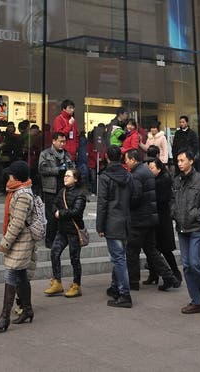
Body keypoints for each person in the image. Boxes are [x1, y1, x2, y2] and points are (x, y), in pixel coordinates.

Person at [171, 149, 200, 315]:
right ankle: (197, 301)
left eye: (182, 160)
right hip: (182, 227)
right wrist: (174, 213)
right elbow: (172, 200)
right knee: (186, 266)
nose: (179, 164)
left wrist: (197, 215)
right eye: (178, 161)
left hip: (196, 228)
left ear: (191, 161)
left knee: (194, 263)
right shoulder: (176, 181)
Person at [0, 160, 36, 332]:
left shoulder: (22, 195)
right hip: (20, 239)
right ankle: (28, 309)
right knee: (21, 275)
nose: (8, 176)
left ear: (16, 176)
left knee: (10, 273)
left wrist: (6, 242)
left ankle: (5, 317)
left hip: (22, 240)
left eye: (10, 174)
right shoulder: (17, 191)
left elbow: (17, 223)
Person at [124, 148, 177, 292]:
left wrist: (128, 205)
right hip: (150, 217)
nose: (126, 162)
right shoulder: (146, 171)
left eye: (127, 159)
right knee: (151, 250)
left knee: (132, 251)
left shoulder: (136, 174)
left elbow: (135, 197)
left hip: (139, 219)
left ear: (133, 160)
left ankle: (133, 282)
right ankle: (169, 277)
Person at [96, 145, 133, 308]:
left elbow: (102, 203)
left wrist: (100, 226)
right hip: (125, 220)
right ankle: (116, 288)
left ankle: (124, 293)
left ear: (106, 157)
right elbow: (134, 196)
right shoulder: (128, 175)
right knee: (120, 256)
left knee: (118, 259)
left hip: (112, 221)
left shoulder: (105, 177)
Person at [44, 167, 87, 298]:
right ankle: (57, 282)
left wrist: (60, 213)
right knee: (54, 252)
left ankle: (76, 285)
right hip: (62, 229)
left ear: (76, 179)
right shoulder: (62, 191)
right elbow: (54, 204)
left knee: (74, 259)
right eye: (65, 176)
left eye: (68, 176)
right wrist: (56, 212)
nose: (65, 178)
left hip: (74, 231)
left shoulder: (80, 194)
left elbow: (76, 211)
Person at [146, 157, 182, 286]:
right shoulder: (154, 179)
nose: (150, 170)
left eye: (152, 168)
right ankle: (153, 275)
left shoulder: (164, 180)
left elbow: (161, 199)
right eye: (148, 168)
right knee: (152, 249)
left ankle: (176, 274)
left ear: (159, 169)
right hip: (155, 219)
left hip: (162, 220)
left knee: (165, 249)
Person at [38, 131, 74, 248]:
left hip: (64, 190)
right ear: (53, 141)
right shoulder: (45, 154)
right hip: (50, 190)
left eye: (64, 142)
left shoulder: (66, 154)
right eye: (60, 141)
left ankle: (61, 240)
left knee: (63, 215)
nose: (62, 144)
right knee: (51, 216)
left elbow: (73, 168)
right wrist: (57, 170)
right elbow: (42, 169)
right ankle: (50, 240)